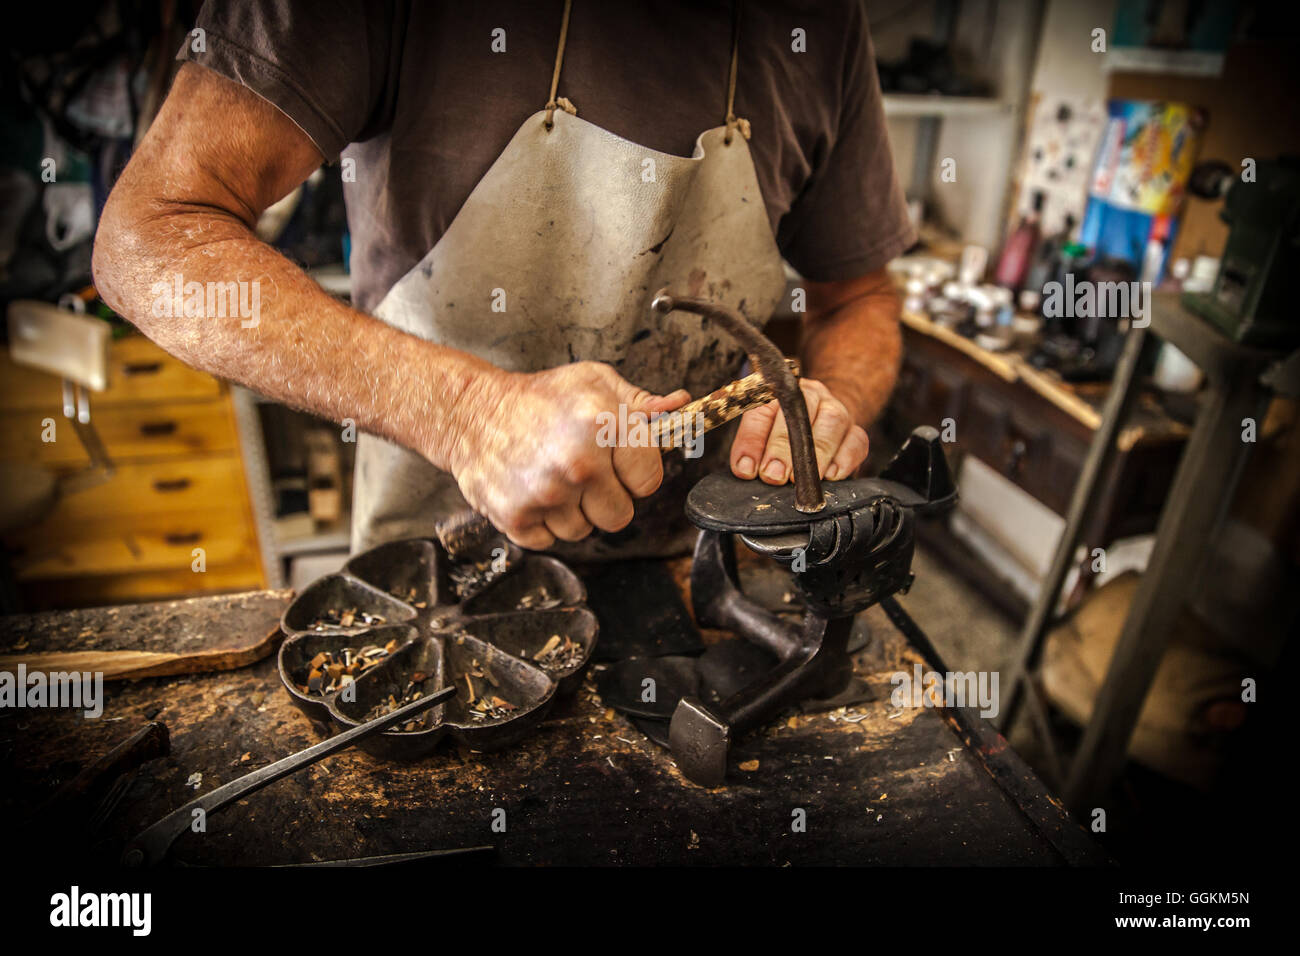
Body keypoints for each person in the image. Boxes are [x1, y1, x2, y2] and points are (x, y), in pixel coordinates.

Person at [92, 0, 914, 558]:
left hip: (698, 571)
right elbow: (148, 236)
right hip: (441, 567)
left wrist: (831, 400)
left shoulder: (819, 27)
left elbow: (861, 298)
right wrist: (470, 414)